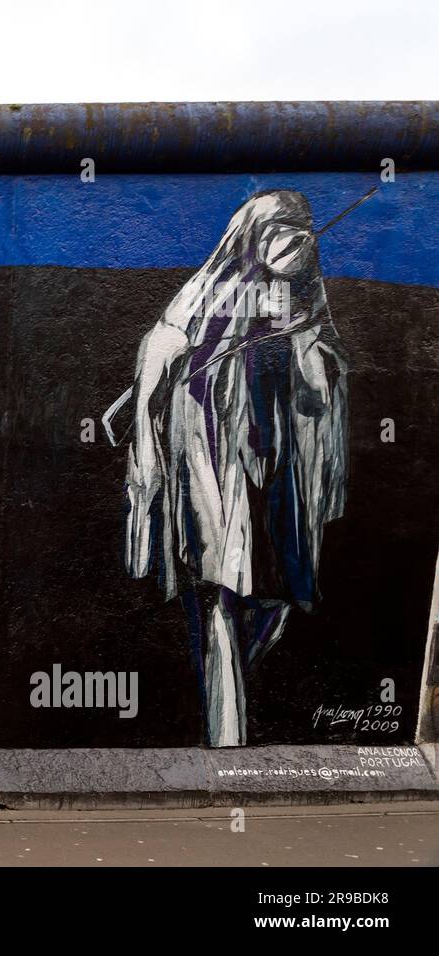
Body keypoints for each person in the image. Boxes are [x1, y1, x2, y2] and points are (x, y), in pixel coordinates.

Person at [123, 190, 349, 747]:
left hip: (276, 469)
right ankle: (227, 735)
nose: (292, 238)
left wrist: (304, 346)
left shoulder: (304, 301)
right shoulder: (211, 287)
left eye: (299, 227)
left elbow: (323, 388)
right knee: (223, 590)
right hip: (212, 462)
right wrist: (148, 443)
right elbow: (159, 349)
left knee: (276, 600)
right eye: (278, 227)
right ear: (252, 233)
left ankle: (232, 686)